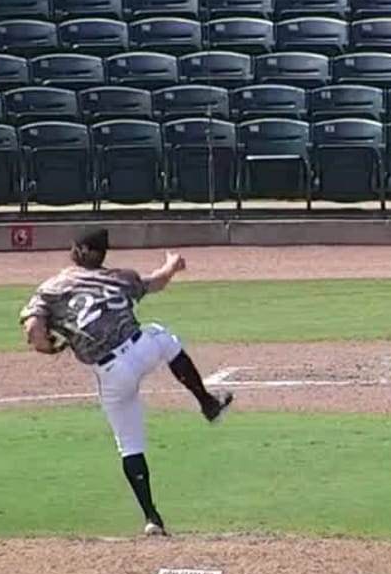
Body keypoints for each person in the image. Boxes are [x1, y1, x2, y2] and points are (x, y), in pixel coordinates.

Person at [19, 228, 233, 537]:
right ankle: (207, 403)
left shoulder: (53, 287)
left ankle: (152, 519)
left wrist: (47, 345)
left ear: (77, 251)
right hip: (142, 348)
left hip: (111, 374)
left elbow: (33, 330)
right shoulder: (120, 277)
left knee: (129, 444)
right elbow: (155, 282)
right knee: (163, 336)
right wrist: (172, 265)